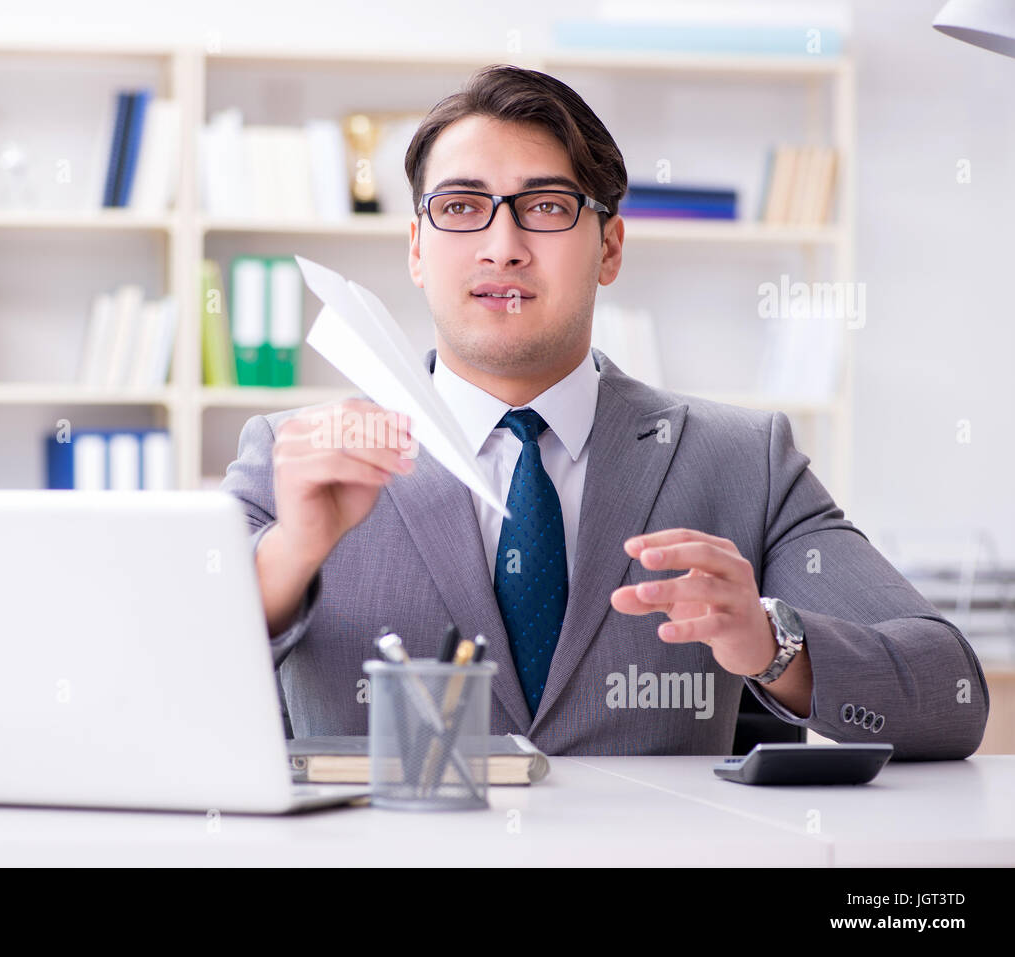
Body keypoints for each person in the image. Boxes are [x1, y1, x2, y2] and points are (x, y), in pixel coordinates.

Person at [220, 64, 988, 758]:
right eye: (461, 206)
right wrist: (287, 556)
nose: (502, 245)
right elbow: (148, 689)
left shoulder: (742, 458)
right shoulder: (293, 458)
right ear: (417, 247)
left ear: (611, 247)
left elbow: (951, 698)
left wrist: (773, 643)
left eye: (546, 206)